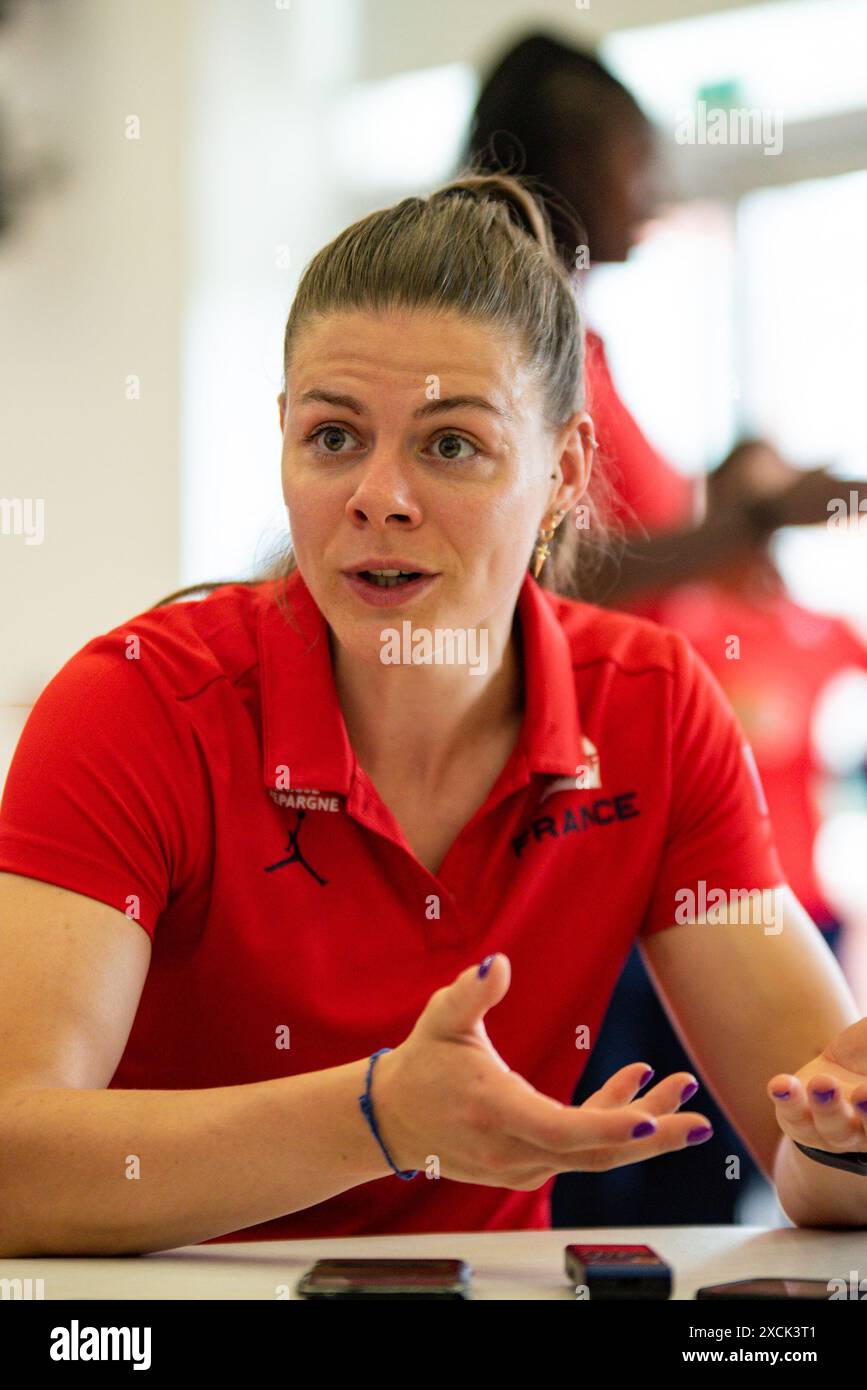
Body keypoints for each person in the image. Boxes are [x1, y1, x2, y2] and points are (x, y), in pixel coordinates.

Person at [1, 173, 867, 1257]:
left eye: (450, 444)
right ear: (282, 440)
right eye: (332, 437)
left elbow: (808, 1148)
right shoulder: (133, 704)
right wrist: (381, 1117)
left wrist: (846, 1139)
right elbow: (9, 1161)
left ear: (563, 472)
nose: (379, 494)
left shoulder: (651, 706)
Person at [461, 31, 867, 1226]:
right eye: (633, 159)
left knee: (699, 1150)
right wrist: (743, 520)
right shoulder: (511, 351)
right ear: (567, 161)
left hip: (635, 771)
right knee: (610, 1160)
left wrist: (750, 520)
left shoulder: (592, 352)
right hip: (554, 785)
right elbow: (556, 561)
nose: (654, 188)